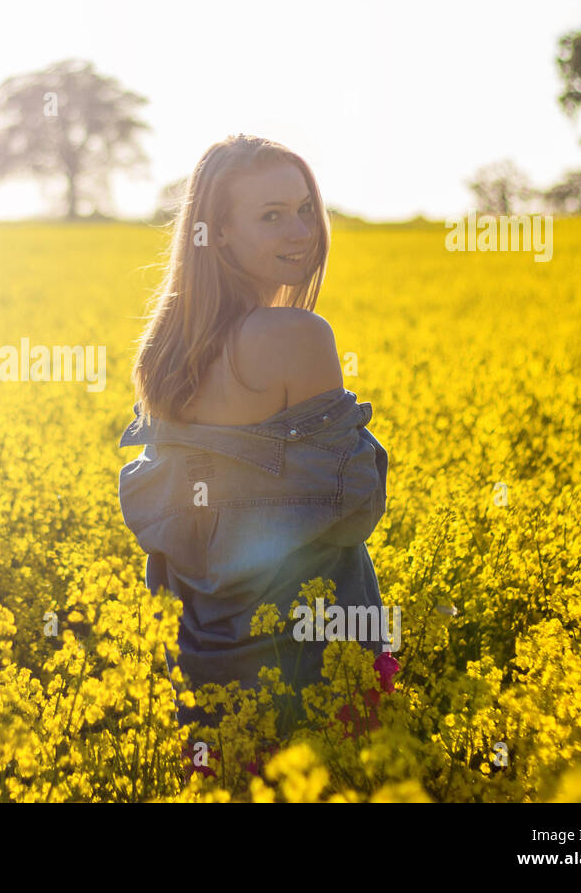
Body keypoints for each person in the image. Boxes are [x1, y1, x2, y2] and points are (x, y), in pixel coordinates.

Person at [117, 133, 391, 741]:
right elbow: (351, 511)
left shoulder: (164, 353)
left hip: (204, 667)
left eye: (303, 210)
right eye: (271, 217)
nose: (301, 232)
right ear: (219, 236)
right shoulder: (296, 336)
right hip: (311, 661)